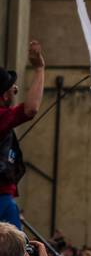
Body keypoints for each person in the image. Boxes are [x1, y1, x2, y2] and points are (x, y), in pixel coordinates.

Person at [0, 43, 46, 233]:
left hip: (5, 200)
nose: (16, 89)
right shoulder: (1, 116)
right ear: (3, 95)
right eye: (13, 87)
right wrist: (39, 69)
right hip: (2, 199)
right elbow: (31, 108)